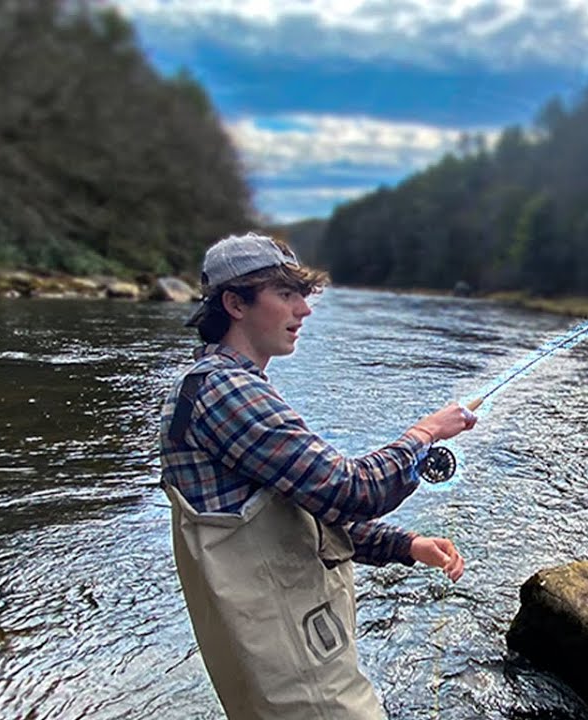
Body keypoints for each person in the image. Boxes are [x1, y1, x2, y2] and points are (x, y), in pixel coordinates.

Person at [158, 231, 476, 719]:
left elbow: (299, 509)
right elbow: (351, 491)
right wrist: (426, 433)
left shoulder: (218, 385)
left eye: (302, 296)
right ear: (234, 304)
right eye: (285, 295)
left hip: (287, 656)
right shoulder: (226, 392)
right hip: (296, 673)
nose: (303, 310)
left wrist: (404, 546)